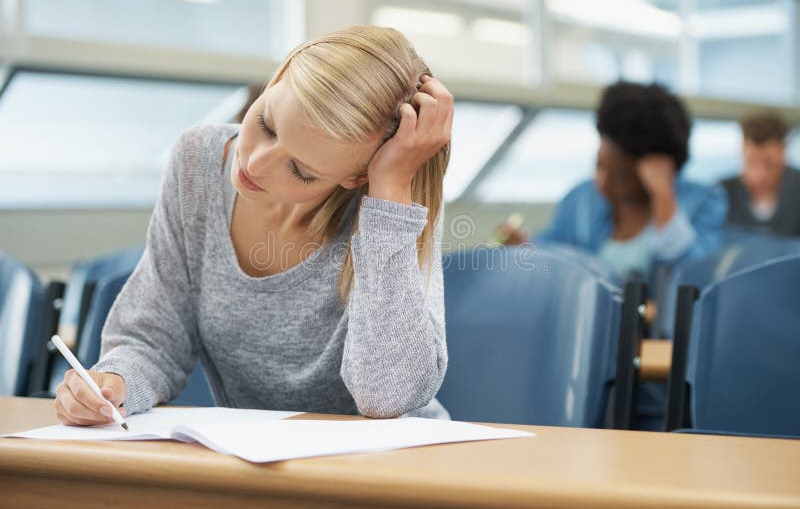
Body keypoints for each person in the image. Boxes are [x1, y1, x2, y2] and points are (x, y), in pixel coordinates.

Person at [54, 26, 453, 426]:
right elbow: (153, 338)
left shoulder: (394, 210)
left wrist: (389, 193)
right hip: (256, 466)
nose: (255, 163)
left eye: (300, 170)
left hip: (388, 469)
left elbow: (386, 398)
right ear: (275, 80)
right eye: (265, 123)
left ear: (355, 176)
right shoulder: (198, 162)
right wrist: (114, 384)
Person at [500, 81, 728, 284]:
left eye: (618, 175)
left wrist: (663, 195)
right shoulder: (581, 197)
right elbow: (554, 252)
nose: (601, 182)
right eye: (599, 166)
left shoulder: (704, 201)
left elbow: (696, 277)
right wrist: (525, 248)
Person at [720, 110, 800, 236]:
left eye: (771, 165)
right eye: (752, 162)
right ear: (742, 150)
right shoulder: (721, 192)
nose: (761, 175)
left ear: (784, 152)